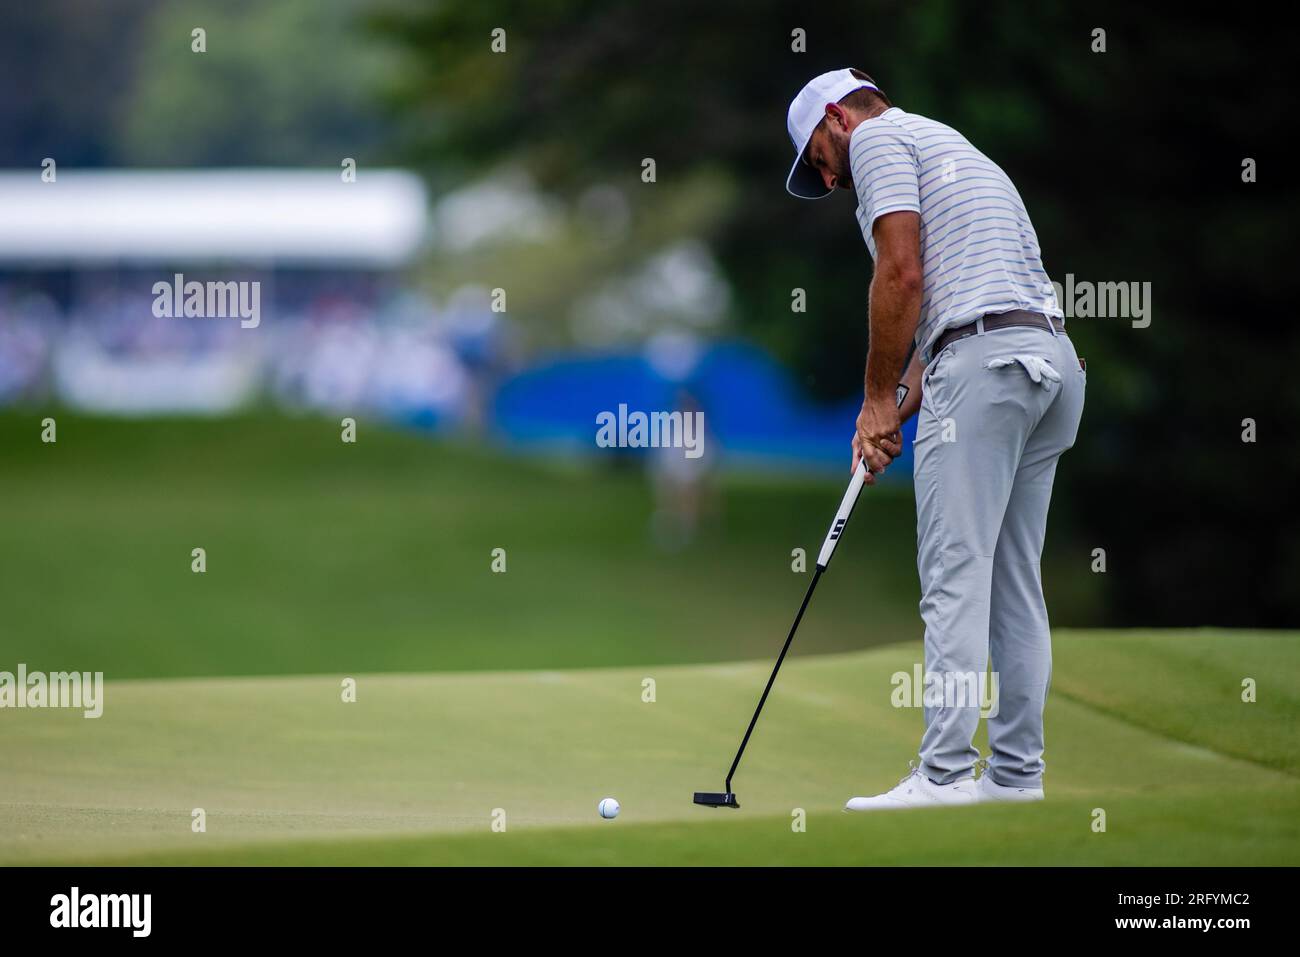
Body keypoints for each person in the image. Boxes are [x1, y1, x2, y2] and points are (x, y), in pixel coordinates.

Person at [784, 69, 1085, 809]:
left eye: (817, 159)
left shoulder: (879, 140)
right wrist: (892, 409)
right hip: (1049, 364)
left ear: (836, 120)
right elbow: (947, 316)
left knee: (957, 573)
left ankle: (945, 774)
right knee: (1013, 577)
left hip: (985, 367)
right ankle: (1016, 776)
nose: (827, 181)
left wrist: (872, 401)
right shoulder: (952, 144)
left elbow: (901, 273)